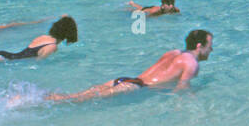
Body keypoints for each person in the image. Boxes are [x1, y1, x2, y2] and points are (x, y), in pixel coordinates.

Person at [45, 30, 212, 103]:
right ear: (199, 46)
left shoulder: (173, 52)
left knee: (75, 96)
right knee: (77, 101)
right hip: (135, 87)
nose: (211, 49)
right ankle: (36, 102)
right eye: (209, 45)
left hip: (126, 80)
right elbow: (181, 89)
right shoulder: (192, 63)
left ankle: (43, 97)